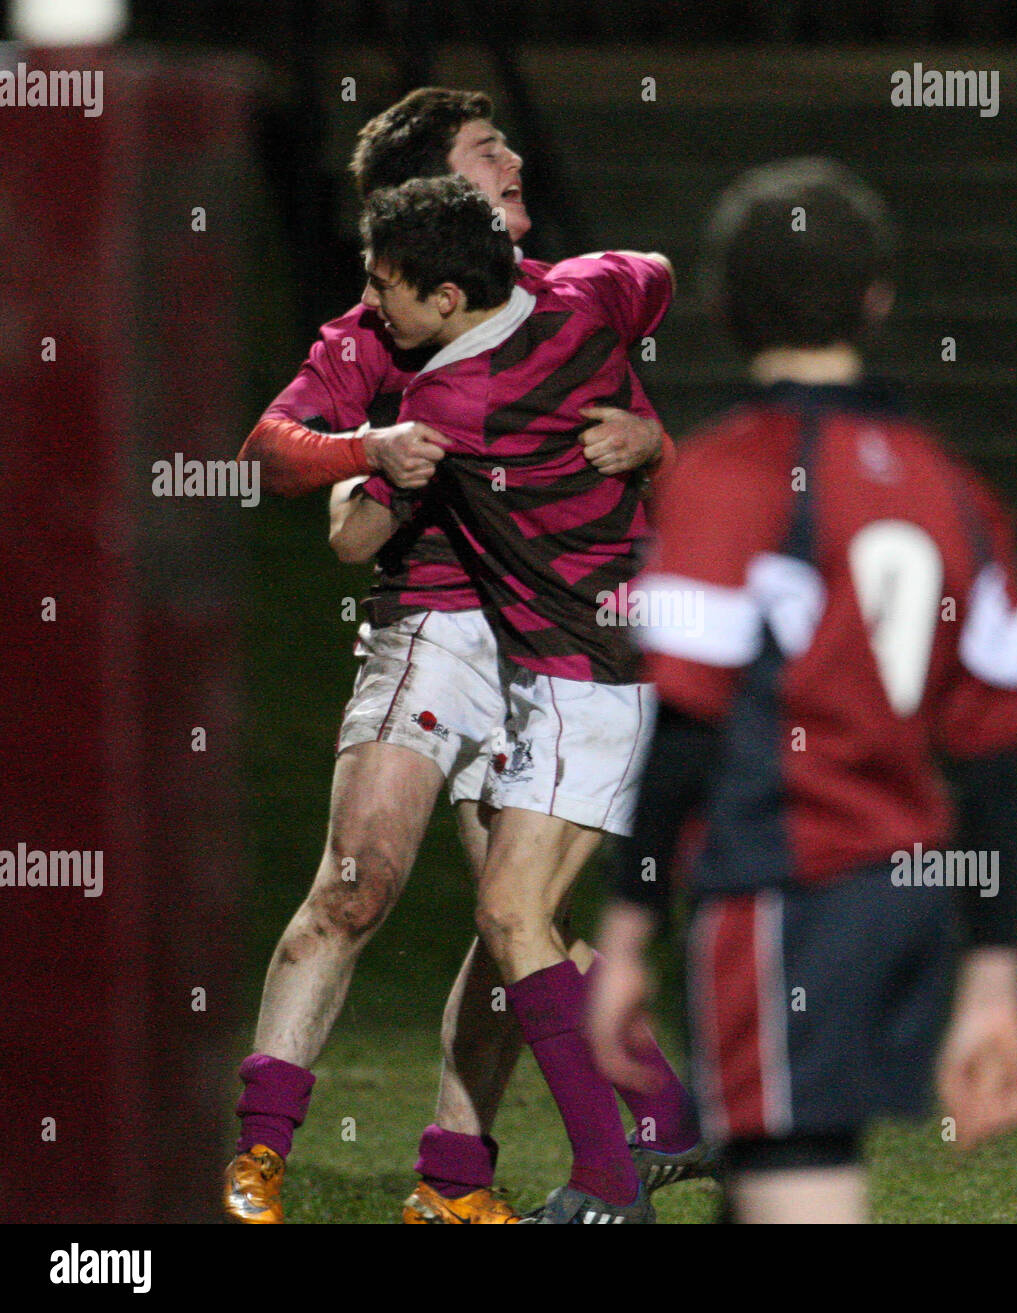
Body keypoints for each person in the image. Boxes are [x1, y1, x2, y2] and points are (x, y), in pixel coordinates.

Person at [585, 157, 1017, 1224]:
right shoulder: (952, 485)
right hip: (900, 901)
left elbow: (689, 726)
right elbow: (995, 751)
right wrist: (994, 971)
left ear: (719, 306)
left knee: (797, 1183)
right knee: (765, 1177)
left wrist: (625, 928)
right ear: (878, 301)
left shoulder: (730, 470)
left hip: (782, 890)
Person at [223, 88, 673, 1225]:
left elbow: (646, 307)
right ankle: (261, 1151)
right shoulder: (378, 335)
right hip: (443, 620)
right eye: (488, 151)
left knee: (511, 917)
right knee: (364, 878)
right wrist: (370, 456)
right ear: (431, 199)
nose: (515, 156)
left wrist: (655, 438)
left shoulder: (565, 295)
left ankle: (455, 1175)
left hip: (562, 640)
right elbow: (291, 469)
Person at [330, 174, 705, 1224]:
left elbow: (354, 538)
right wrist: (639, 415)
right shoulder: (587, 296)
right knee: (519, 916)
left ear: (449, 300)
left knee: (511, 912)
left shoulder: (447, 404)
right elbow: (658, 274)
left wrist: (361, 455)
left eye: (385, 287)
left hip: (594, 669)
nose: (371, 306)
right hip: (599, 657)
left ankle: (611, 1175)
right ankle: (663, 1119)